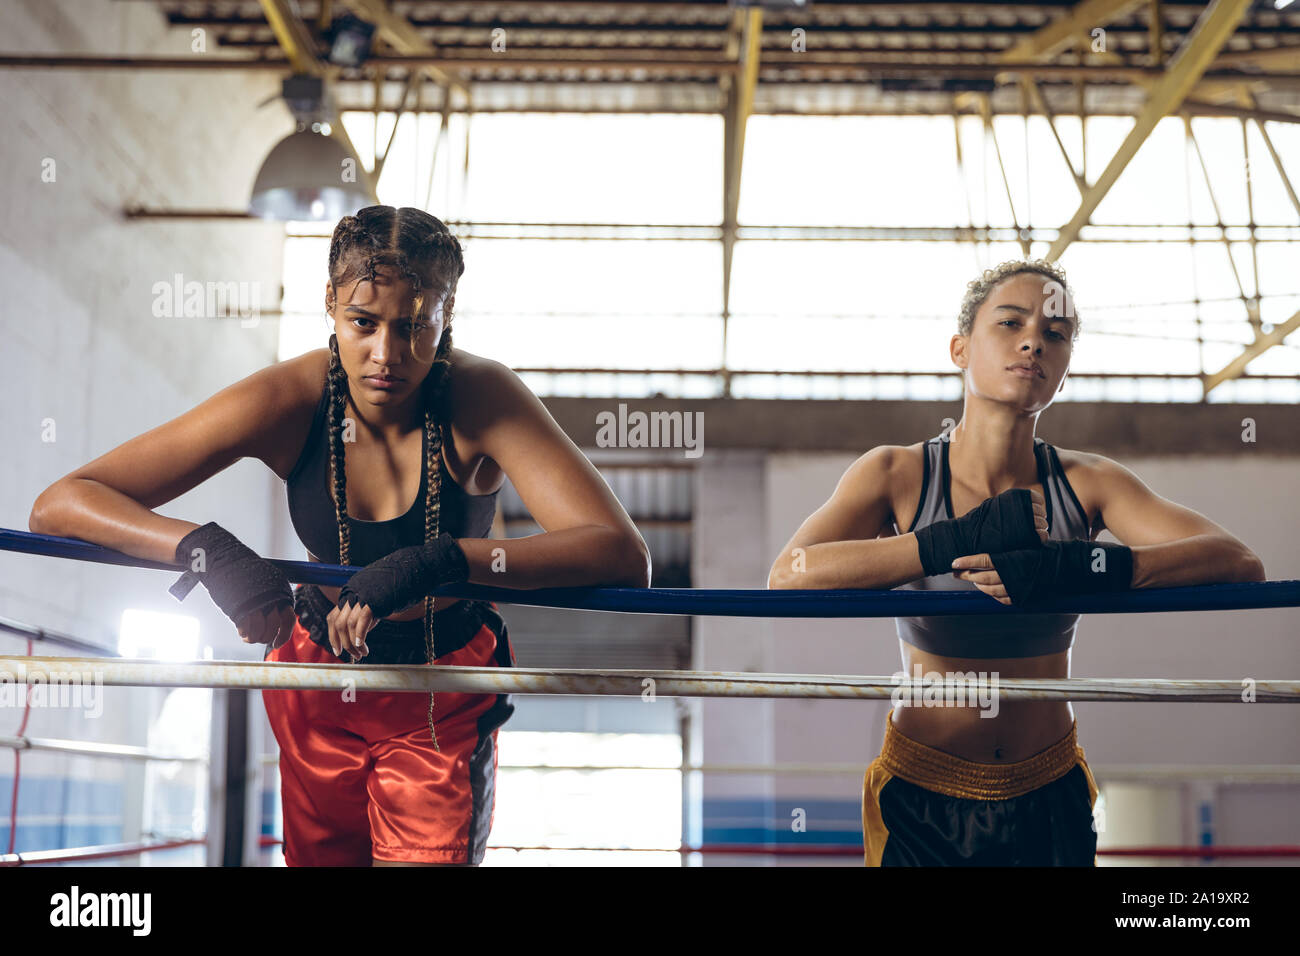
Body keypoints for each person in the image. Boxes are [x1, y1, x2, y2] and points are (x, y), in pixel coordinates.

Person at [29, 204, 651, 867]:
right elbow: (61, 504)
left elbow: (620, 553)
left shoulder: (480, 395)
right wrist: (205, 550)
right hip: (316, 674)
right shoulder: (289, 397)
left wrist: (444, 560)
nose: (387, 355)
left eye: (415, 328)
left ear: (447, 319)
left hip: (440, 688)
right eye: (363, 323)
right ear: (329, 303)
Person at [768, 259, 1265, 866]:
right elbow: (789, 572)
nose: (1034, 340)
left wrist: (1085, 568)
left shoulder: (1088, 483)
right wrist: (945, 540)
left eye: (1056, 334)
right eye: (1010, 323)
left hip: (1049, 784)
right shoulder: (897, 473)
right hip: (923, 792)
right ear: (959, 348)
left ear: (1062, 370)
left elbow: (1238, 561)